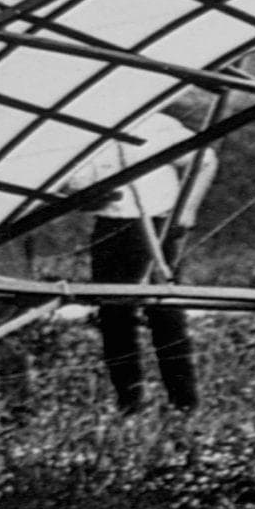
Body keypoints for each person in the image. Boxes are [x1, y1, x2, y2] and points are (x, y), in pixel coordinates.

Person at [84, 104, 217, 417]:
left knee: (165, 311)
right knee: (113, 314)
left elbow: (205, 160)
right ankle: (129, 402)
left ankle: (184, 402)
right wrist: (90, 198)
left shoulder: (156, 125)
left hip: (157, 225)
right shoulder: (87, 130)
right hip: (111, 226)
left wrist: (187, 210)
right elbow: (76, 185)